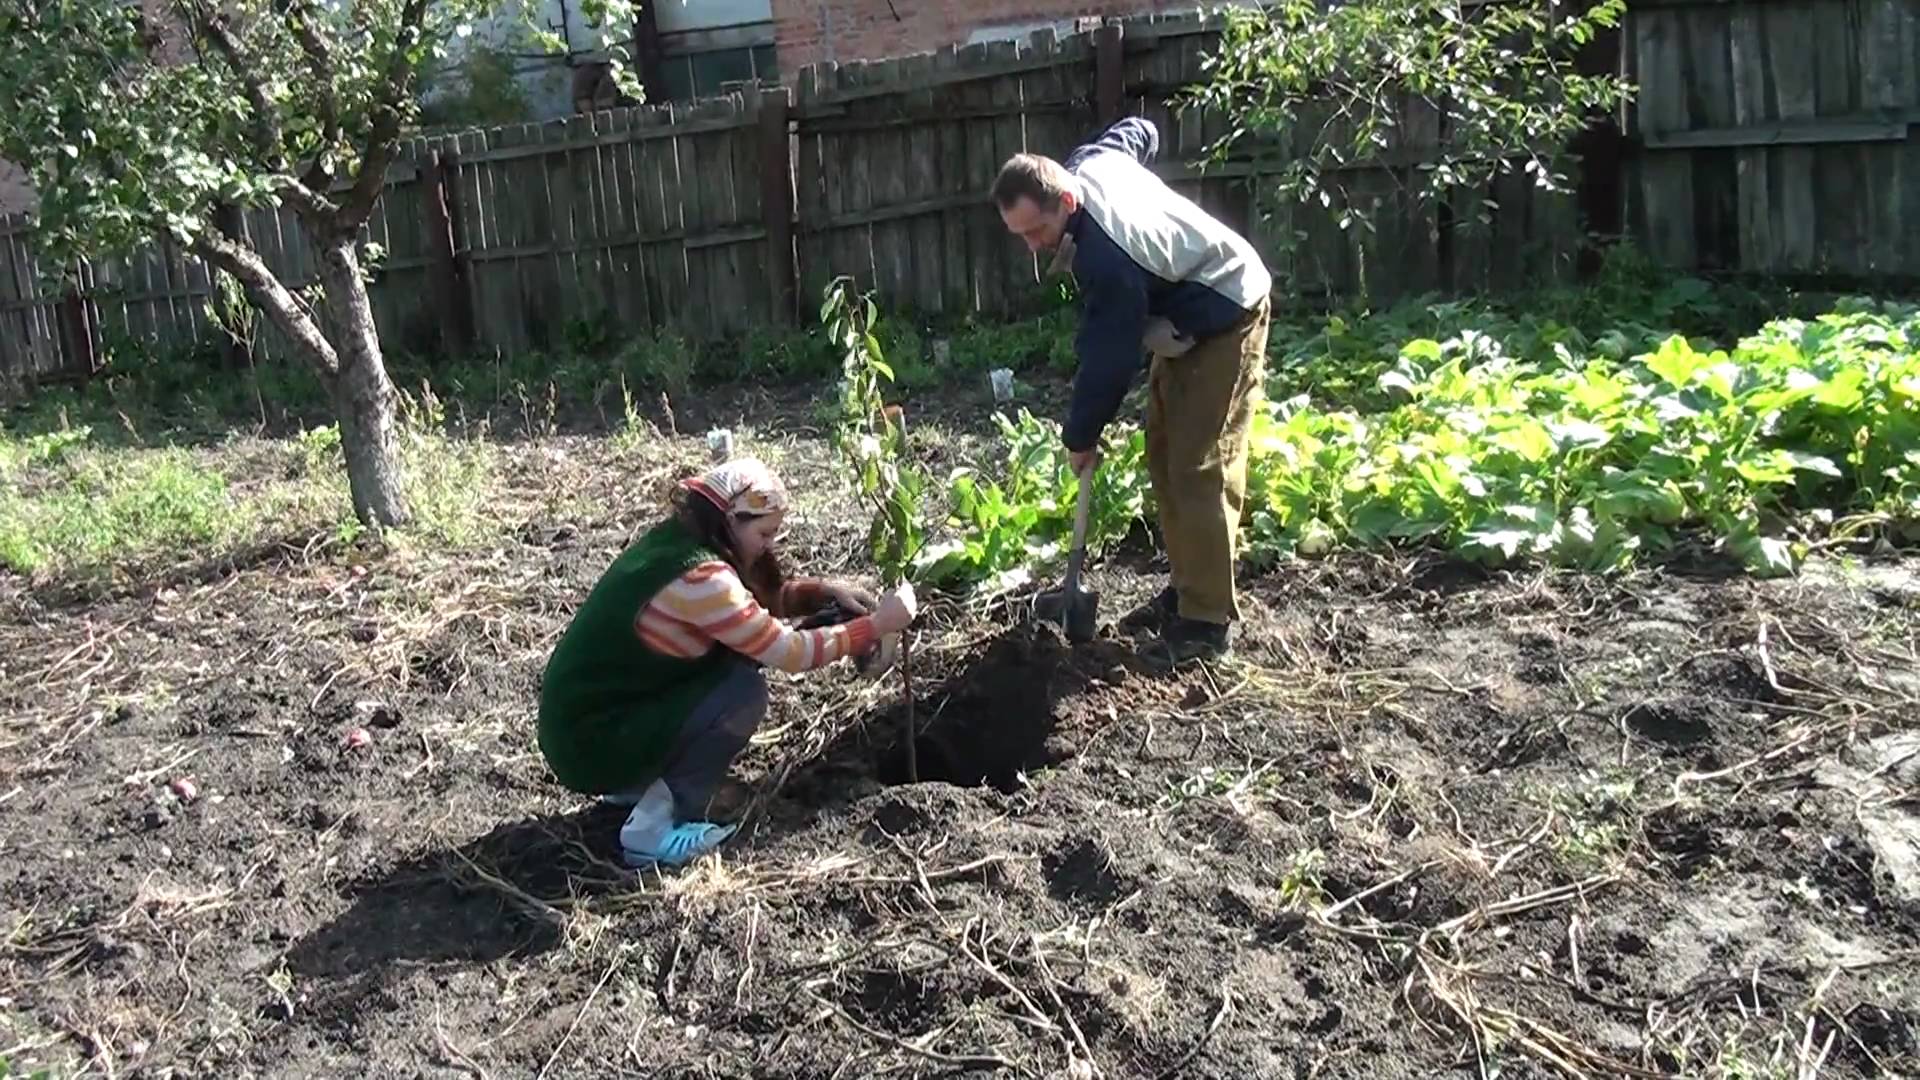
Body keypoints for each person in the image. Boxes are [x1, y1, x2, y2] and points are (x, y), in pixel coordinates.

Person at [537, 457, 917, 869]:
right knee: (740, 693)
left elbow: (755, 605)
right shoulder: (702, 579)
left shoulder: (678, 542)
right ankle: (650, 831)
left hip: (589, 720)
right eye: (764, 533)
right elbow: (787, 652)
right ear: (731, 520)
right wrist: (878, 624)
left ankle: (639, 784)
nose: (770, 544)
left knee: (734, 662)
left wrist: (824, 592)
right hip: (589, 742)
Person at [992, 117, 1272, 662]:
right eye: (1019, 235)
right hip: (1184, 316)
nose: (1032, 246)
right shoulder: (1092, 162)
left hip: (1229, 308)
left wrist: (1081, 435)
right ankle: (1189, 587)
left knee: (1197, 461)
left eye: (1035, 231)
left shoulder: (1108, 262)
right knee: (1163, 453)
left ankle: (1206, 624)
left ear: (1066, 201)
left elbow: (1110, 357)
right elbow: (1139, 131)